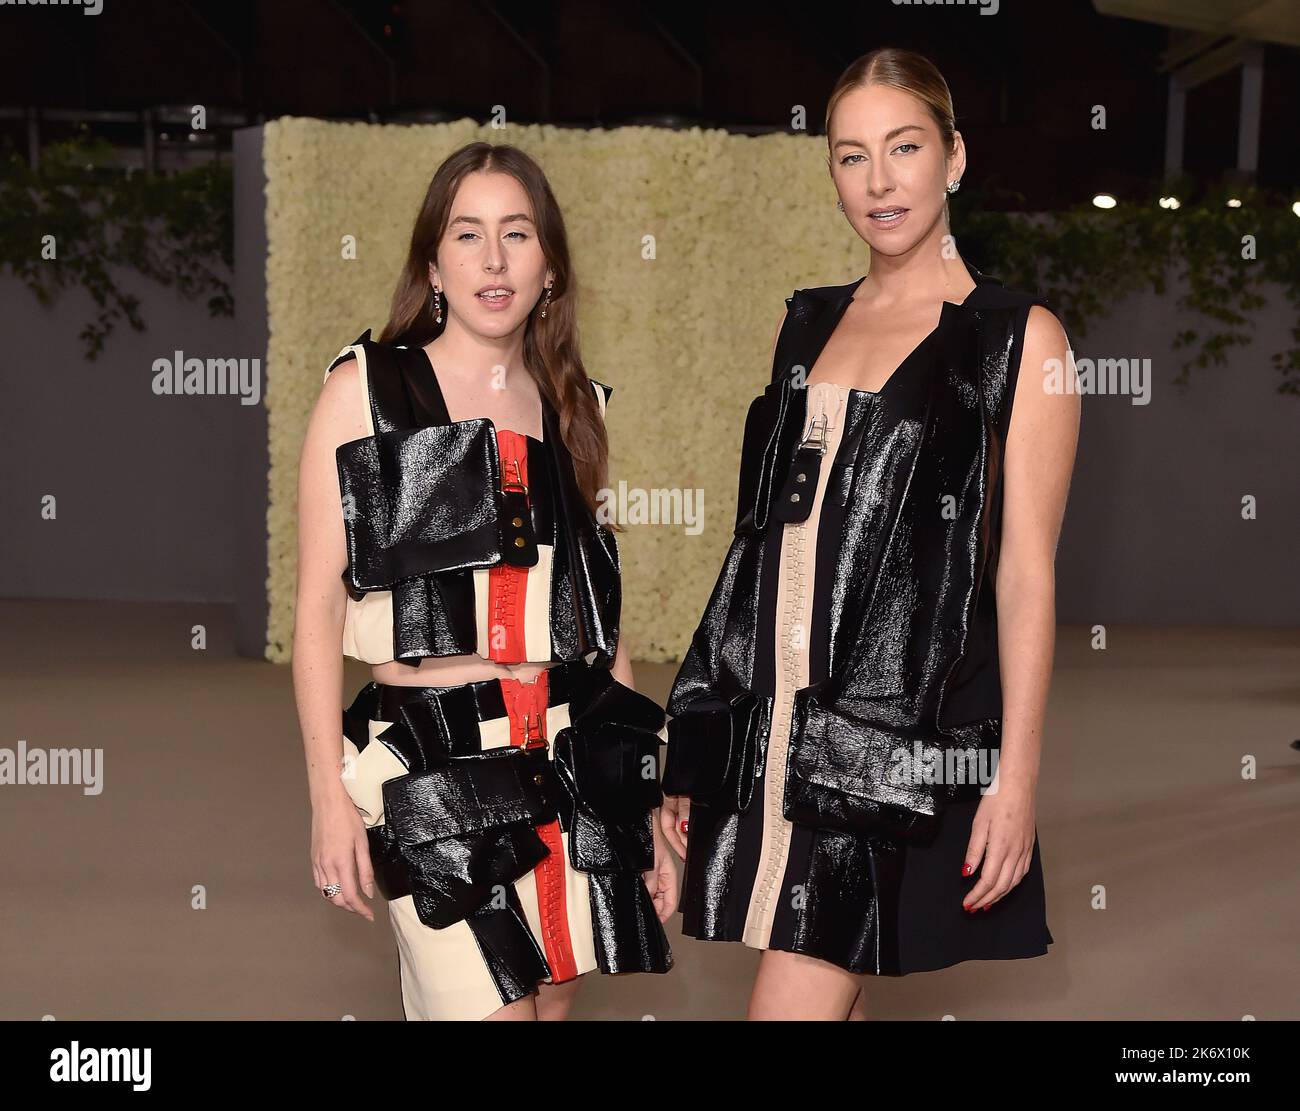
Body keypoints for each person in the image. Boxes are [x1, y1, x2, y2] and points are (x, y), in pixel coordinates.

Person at [660, 47, 1080, 1020]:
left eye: (903, 148)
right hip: (773, 728)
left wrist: (1013, 781)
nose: (879, 181)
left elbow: (1023, 576)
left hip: (889, 743)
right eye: (852, 156)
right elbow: (752, 551)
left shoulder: (1020, 341)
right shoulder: (804, 326)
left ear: (954, 157)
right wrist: (703, 743)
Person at [293, 142, 676, 1021]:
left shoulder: (576, 407)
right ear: (434, 262)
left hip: (563, 760)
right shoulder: (365, 390)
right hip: (430, 775)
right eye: (469, 235)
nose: (494, 260)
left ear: (550, 269)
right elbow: (316, 608)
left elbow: (598, 627)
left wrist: (639, 804)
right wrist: (325, 796)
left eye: (518, 234)